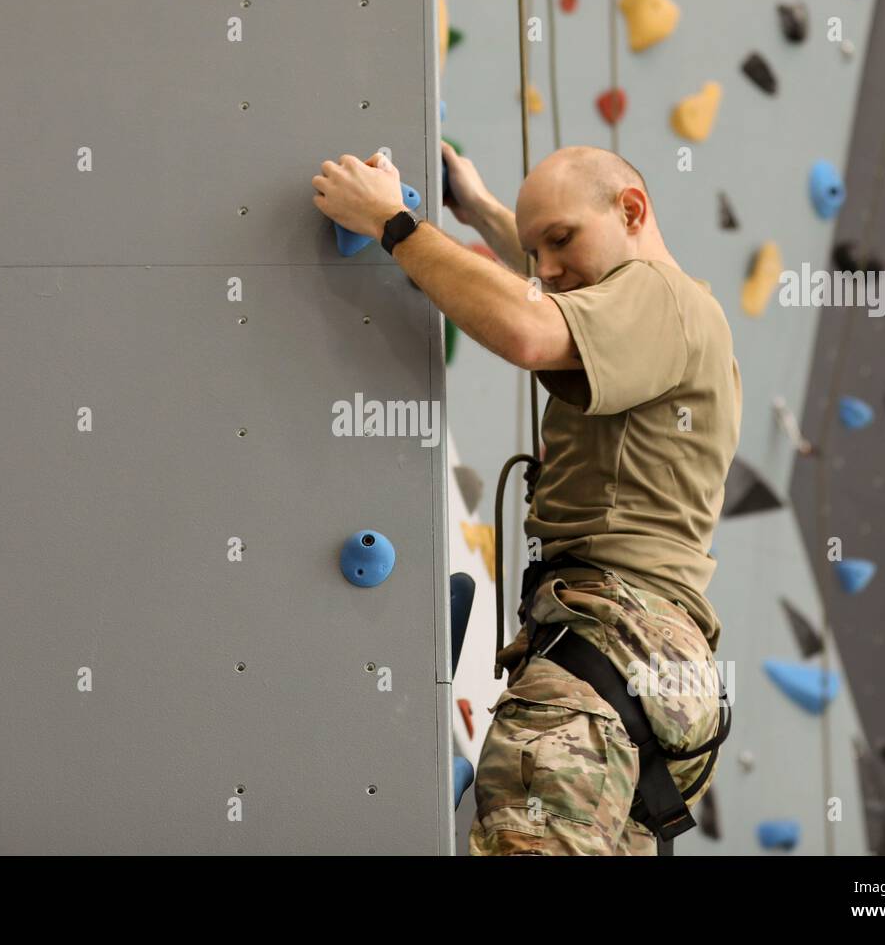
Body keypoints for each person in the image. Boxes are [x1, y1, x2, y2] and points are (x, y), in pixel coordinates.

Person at [312, 142, 742, 855]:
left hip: (605, 650)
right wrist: (477, 207)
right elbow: (555, 292)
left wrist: (392, 223)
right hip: (660, 677)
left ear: (632, 210)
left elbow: (529, 326)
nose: (544, 267)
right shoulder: (681, 318)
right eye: (536, 248)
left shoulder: (658, 296)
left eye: (562, 239)